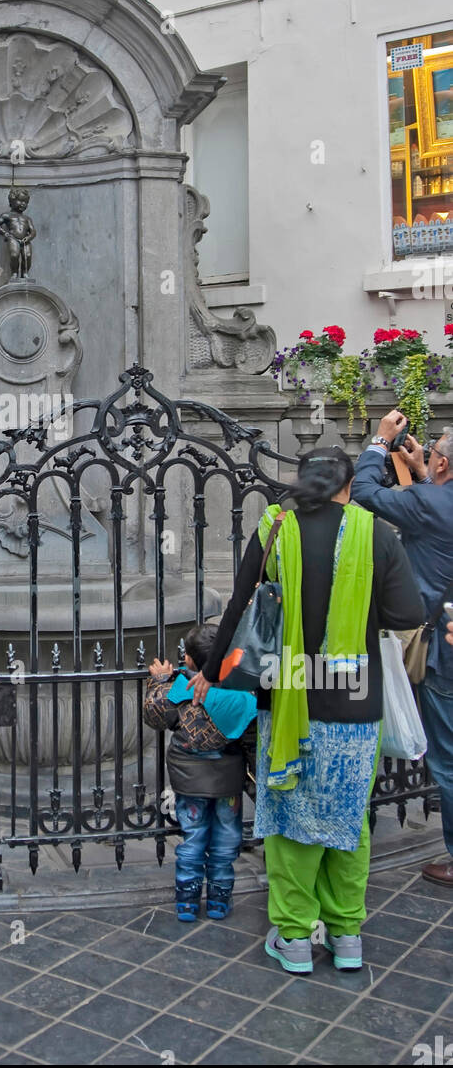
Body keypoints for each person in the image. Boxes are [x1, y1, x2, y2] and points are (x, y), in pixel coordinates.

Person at [189, 447, 424, 973]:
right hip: (356, 703)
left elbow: (238, 607)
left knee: (292, 823)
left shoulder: (275, 528)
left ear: (303, 483)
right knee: (349, 821)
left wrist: (210, 673)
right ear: (347, 487)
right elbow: (407, 612)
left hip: (288, 698)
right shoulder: (375, 533)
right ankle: (346, 935)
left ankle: (295, 937)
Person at [350, 415, 453, 887]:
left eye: (433, 453)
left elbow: (365, 491)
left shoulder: (430, 502)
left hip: (443, 649)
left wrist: (380, 440)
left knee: (447, 759)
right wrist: (423, 473)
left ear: (443, 463)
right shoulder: (432, 496)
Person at [148, 624, 256, 922]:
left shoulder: (180, 690)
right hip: (228, 781)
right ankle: (219, 899)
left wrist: (160, 680)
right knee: (226, 838)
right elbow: (251, 738)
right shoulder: (241, 694)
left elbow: (155, 715)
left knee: (193, 837)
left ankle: (187, 901)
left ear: (188, 659)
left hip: (189, 781)